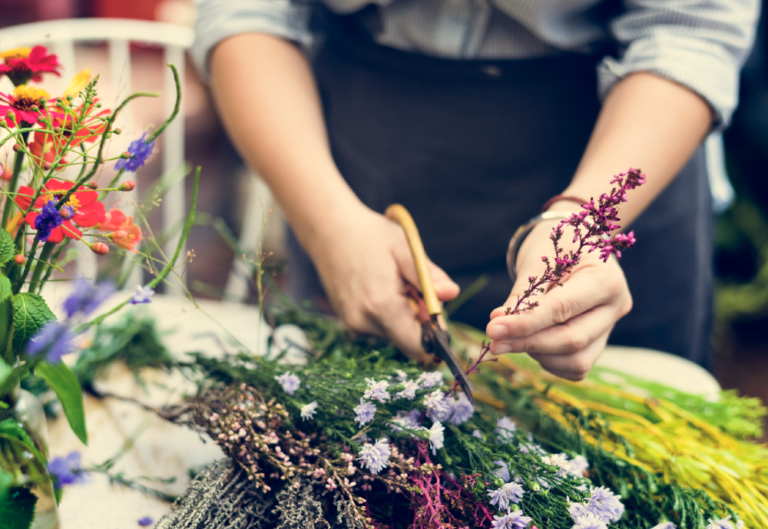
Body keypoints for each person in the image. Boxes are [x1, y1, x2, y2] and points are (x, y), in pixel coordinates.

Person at [193, 0, 759, 379]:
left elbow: (690, 32)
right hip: (352, 168)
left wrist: (582, 223)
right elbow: (248, 12)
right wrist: (327, 223)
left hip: (618, 144)